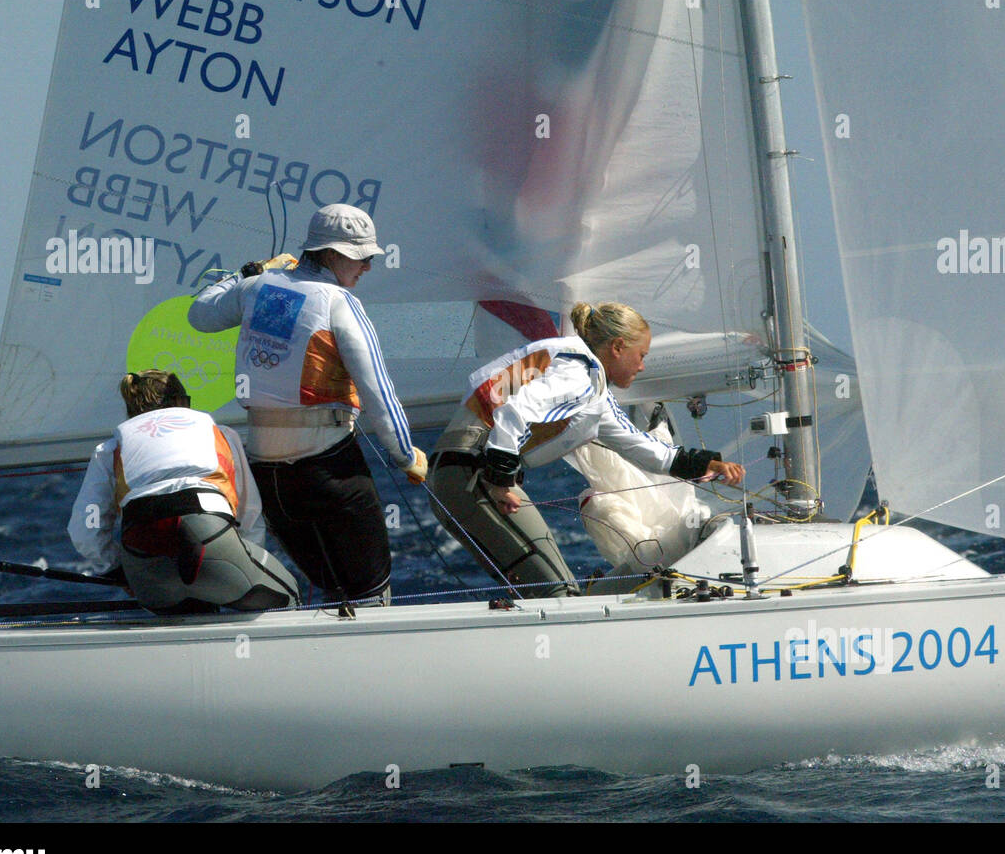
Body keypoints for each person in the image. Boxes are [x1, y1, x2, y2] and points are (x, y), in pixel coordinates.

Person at [188, 203, 426, 605]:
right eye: (361, 257)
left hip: (270, 478)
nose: (367, 266)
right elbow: (377, 390)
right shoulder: (339, 302)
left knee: (332, 591)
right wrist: (405, 455)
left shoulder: (255, 287)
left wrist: (252, 270)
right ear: (332, 255)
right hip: (329, 472)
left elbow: (199, 313)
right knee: (369, 595)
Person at [429, 302, 744, 598]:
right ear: (618, 347)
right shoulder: (577, 373)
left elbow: (645, 448)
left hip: (463, 477)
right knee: (558, 594)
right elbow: (515, 410)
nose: (643, 366)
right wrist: (500, 481)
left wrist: (707, 465)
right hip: (473, 477)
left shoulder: (593, 390)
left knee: (550, 592)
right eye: (641, 355)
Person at [68, 370, 299, 614]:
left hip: (143, 556)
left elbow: (84, 531)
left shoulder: (108, 449)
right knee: (289, 595)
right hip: (210, 539)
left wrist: (116, 570)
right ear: (181, 402)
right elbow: (249, 515)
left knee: (188, 616)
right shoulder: (220, 433)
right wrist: (244, 568)